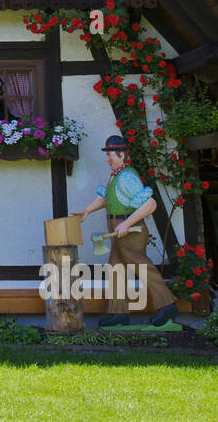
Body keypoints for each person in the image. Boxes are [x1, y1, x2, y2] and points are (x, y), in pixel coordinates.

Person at [71, 135, 178, 328]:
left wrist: (127, 224)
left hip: (131, 231)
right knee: (115, 269)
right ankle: (119, 313)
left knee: (141, 266)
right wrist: (87, 210)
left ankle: (167, 305)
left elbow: (150, 204)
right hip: (119, 228)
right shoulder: (116, 176)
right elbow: (104, 198)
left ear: (121, 155)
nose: (107, 159)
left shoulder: (127, 177)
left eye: (110, 154)